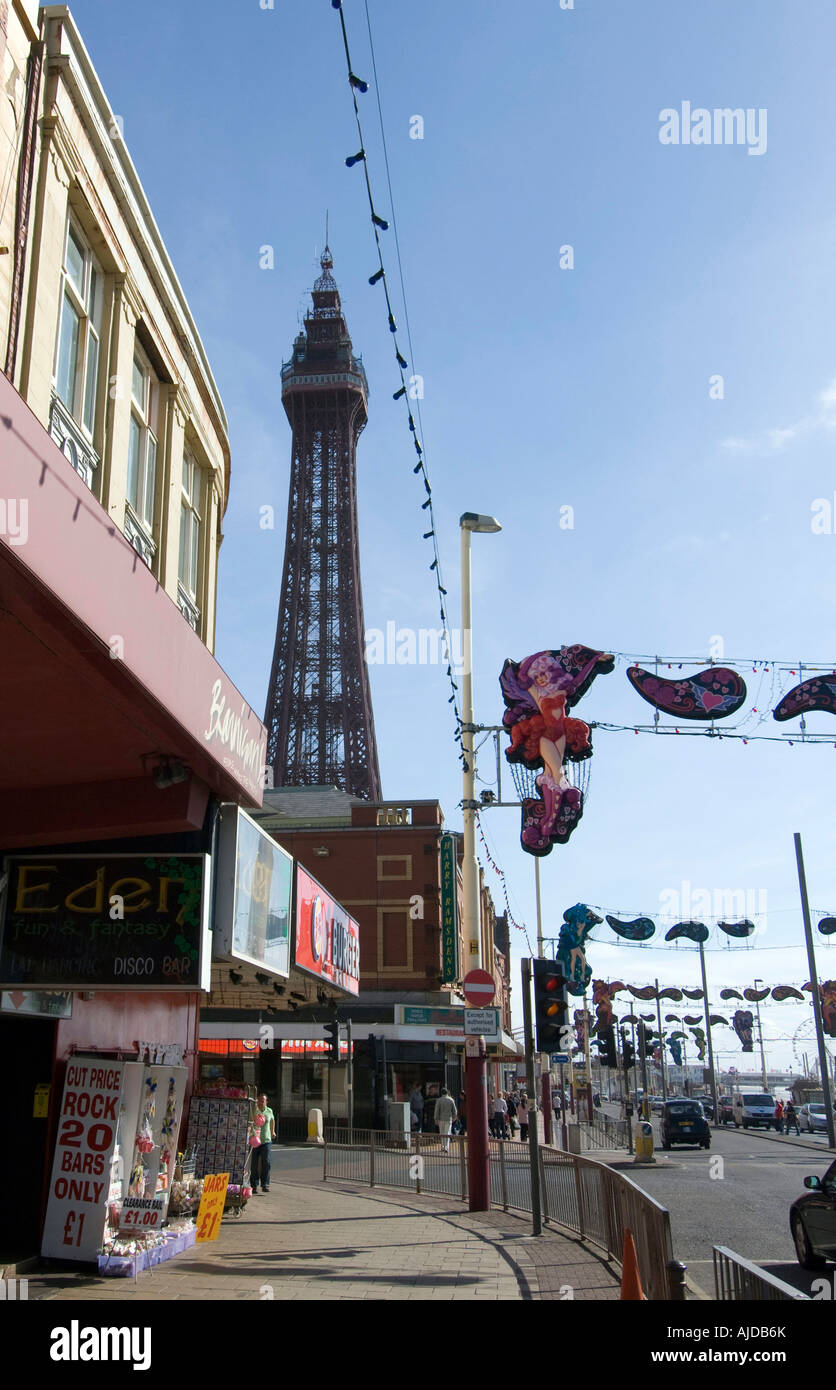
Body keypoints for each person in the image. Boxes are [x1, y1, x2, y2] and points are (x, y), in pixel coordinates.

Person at [251, 1092, 276, 1193]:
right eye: (259, 1101)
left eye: (263, 1101)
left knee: (266, 1162)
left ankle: (265, 1184)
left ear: (266, 1102)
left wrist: (273, 1131)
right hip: (254, 1140)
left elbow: (272, 1121)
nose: (261, 1102)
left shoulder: (269, 1111)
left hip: (266, 1140)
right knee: (254, 1164)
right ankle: (254, 1185)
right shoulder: (254, 1110)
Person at [433, 1087, 458, 1153]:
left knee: (442, 1133)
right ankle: (446, 1147)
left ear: (441, 1093)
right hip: (449, 1119)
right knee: (447, 1133)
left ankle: (443, 1147)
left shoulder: (439, 1100)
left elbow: (437, 1110)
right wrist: (454, 1117)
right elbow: (454, 1110)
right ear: (447, 1092)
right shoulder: (451, 1100)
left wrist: (436, 1119)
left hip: (441, 1119)